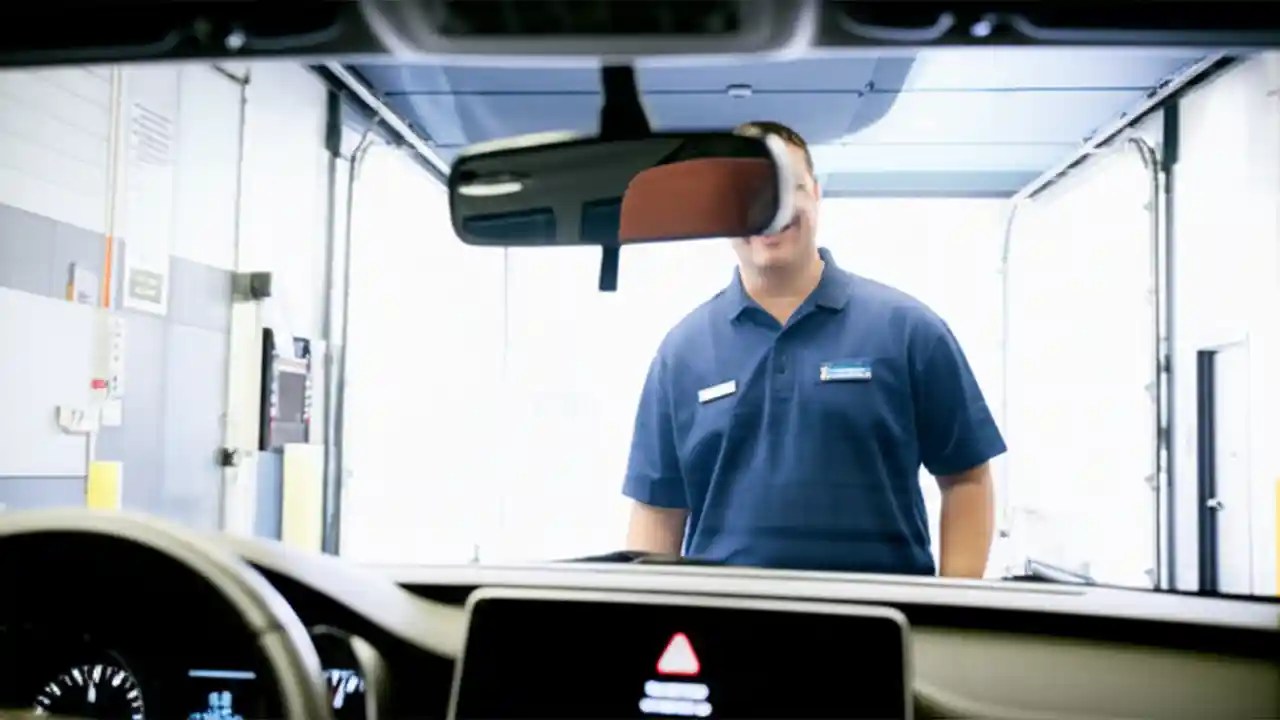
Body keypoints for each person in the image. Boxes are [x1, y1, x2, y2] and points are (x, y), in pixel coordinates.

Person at [622, 120, 1006, 578]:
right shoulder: (681, 354)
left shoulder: (909, 331)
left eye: (788, 188)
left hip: (878, 629)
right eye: (747, 192)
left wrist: (951, 614)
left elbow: (966, 478)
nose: (769, 209)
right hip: (727, 632)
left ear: (817, 194)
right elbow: (657, 512)